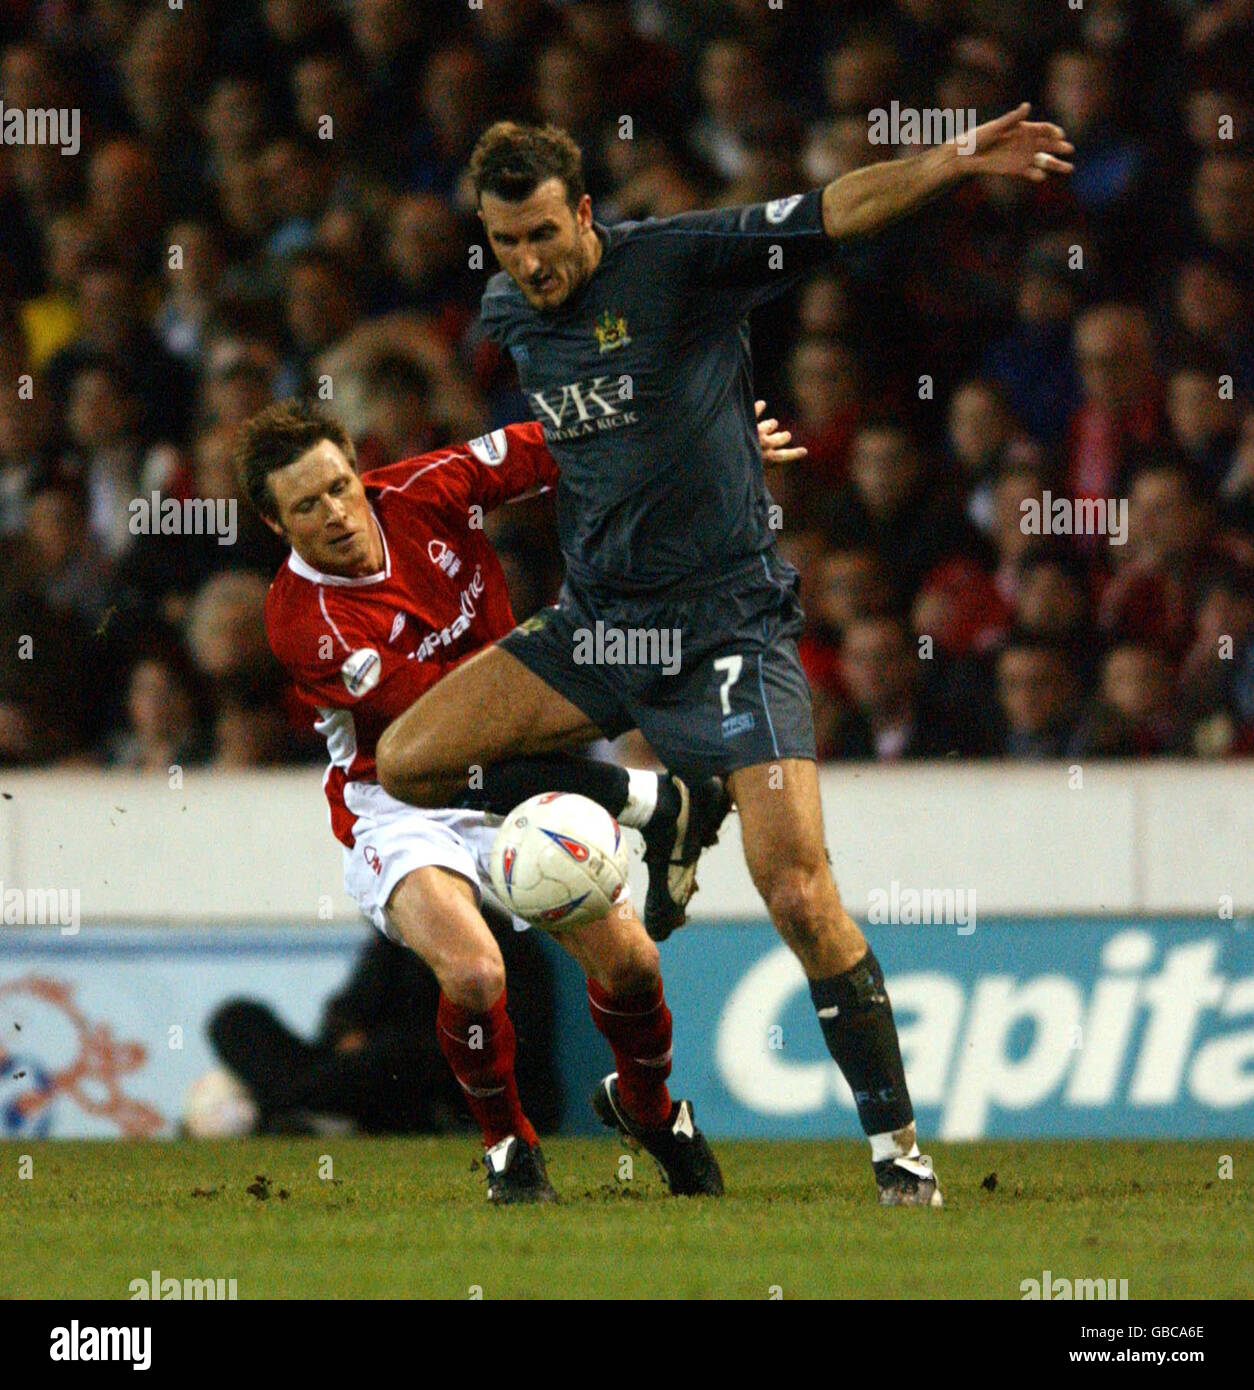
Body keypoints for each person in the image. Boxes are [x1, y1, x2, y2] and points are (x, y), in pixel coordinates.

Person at [374, 109, 1075, 1207]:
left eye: (546, 234)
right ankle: (655, 808)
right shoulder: (511, 313)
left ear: (586, 213)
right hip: (598, 625)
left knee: (796, 887)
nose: (530, 260)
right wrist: (704, 432)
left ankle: (899, 1155)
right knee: (409, 760)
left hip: (725, 627)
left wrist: (950, 162)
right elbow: (598, 436)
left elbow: (831, 211)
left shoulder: (680, 262)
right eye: (508, 241)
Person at [232, 399, 808, 1202]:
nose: (335, 513)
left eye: (339, 486)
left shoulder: (430, 487)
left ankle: (651, 1111)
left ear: (358, 471)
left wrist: (705, 437)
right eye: (306, 505)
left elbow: (571, 446)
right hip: (398, 799)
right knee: (472, 974)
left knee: (635, 966)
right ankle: (510, 1148)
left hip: (513, 767)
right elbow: (440, 747)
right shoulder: (305, 620)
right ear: (274, 523)